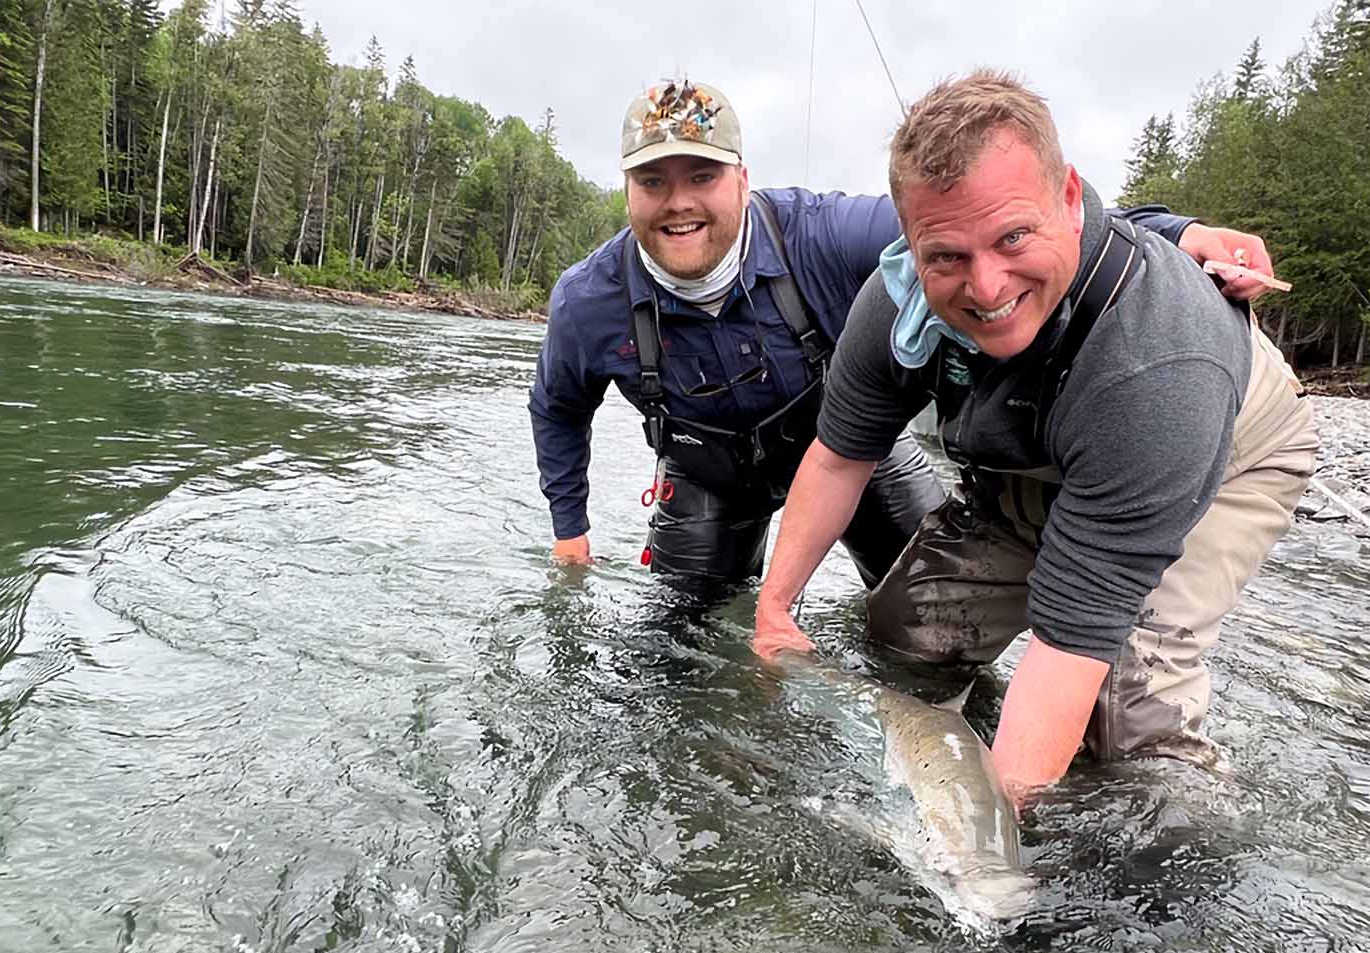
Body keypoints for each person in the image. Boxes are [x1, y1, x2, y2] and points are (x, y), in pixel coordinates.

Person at [752, 70, 1318, 807]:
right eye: (947, 256)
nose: (986, 288)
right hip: (1036, 445)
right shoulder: (895, 308)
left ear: (1070, 199)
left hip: (1220, 455)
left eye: (1012, 237)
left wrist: (996, 839)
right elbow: (839, 458)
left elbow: (1075, 629)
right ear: (911, 244)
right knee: (907, 638)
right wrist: (774, 610)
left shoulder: (1158, 359)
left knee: (1124, 729)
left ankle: (1171, 842)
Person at [529, 77, 1275, 586]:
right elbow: (558, 410)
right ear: (627, 191)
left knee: (922, 622)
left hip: (857, 454)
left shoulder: (823, 234)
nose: (678, 203)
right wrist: (570, 530)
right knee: (681, 654)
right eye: (653, 181)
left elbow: (1004, 222)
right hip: (707, 482)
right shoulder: (586, 302)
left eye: (701, 176)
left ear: (742, 180)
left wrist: (1175, 233)